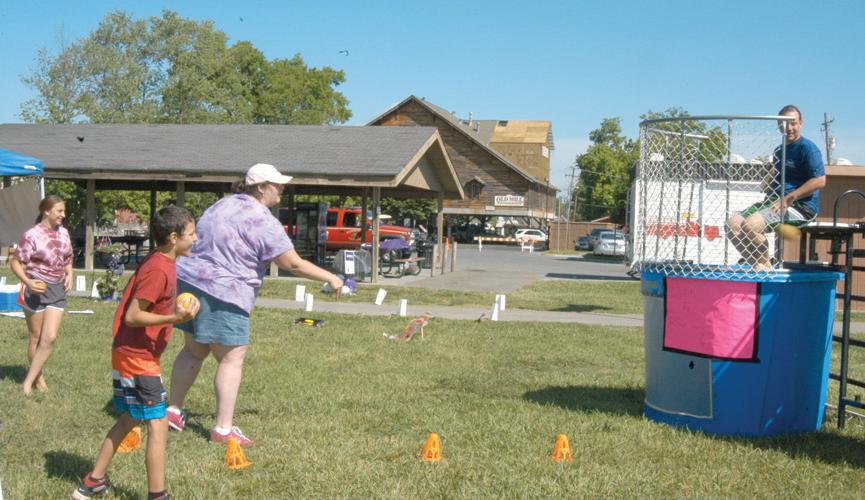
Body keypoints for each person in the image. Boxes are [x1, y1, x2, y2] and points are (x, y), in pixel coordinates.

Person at [165, 163, 343, 445]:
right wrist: (331, 278)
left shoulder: (219, 206)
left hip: (188, 283)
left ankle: (172, 412)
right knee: (231, 358)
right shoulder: (262, 219)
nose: (281, 191)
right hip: (225, 291)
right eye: (277, 185)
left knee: (193, 349)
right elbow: (291, 263)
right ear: (260, 187)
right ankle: (223, 429)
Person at [73, 206, 199, 500]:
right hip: (135, 356)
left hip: (134, 353)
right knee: (158, 422)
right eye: (191, 234)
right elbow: (133, 316)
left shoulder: (162, 262)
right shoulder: (158, 269)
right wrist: (175, 319)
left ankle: (93, 482)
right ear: (172, 237)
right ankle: (158, 495)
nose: (195, 239)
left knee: (131, 417)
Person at [727, 105, 826, 270]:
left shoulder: (807, 148)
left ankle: (763, 266)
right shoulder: (779, 150)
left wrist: (789, 198)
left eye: (793, 123)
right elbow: (778, 174)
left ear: (801, 123)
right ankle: (762, 262)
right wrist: (769, 182)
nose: (789, 128)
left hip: (800, 206)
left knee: (751, 225)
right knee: (733, 224)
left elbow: (820, 181)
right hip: (775, 201)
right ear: (779, 126)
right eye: (784, 124)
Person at [10, 195, 73, 395]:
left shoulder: (64, 233)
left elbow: (68, 258)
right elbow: (15, 262)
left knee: (50, 337)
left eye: (63, 211)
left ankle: (27, 381)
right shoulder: (32, 235)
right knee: (36, 337)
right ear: (46, 211)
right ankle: (38, 379)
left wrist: (70, 272)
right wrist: (27, 282)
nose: (63, 215)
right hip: (35, 290)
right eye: (59, 211)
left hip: (57, 290)